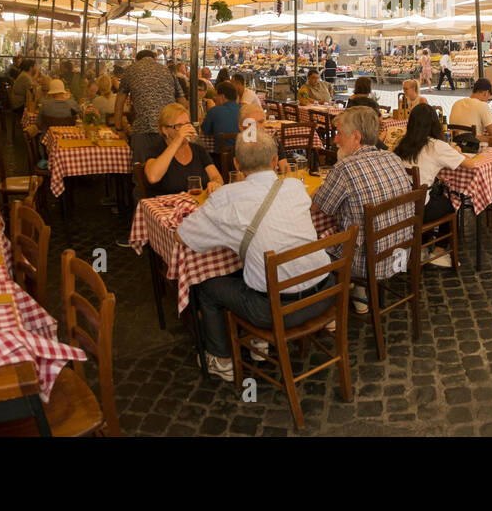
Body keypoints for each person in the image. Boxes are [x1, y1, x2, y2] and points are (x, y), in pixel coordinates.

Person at [180, 132, 333, 381]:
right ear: (275, 161)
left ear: (236, 164)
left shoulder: (225, 197)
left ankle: (222, 360)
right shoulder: (296, 186)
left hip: (274, 311)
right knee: (251, 268)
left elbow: (184, 236)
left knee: (206, 286)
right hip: (325, 294)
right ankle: (258, 346)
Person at [312, 106, 414, 313]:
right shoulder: (392, 158)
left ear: (356, 137)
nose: (335, 140)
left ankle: (325, 309)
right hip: (401, 253)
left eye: (339, 133)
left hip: (368, 262)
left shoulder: (344, 168)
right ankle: (358, 291)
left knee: (307, 247)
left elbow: (319, 207)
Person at [393, 104, 477, 268]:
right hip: (419, 209)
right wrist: (457, 151)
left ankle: (423, 246)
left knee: (435, 197)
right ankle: (439, 252)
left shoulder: (402, 143)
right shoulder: (436, 145)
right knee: (451, 203)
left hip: (399, 206)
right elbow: (470, 164)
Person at [116, 48, 183, 167]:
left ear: (137, 60)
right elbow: (182, 100)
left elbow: (119, 101)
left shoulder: (130, 70)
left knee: (141, 171)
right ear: (155, 58)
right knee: (168, 168)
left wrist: (119, 128)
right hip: (167, 128)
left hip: (143, 129)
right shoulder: (168, 71)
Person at [144, 103, 223, 196]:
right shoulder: (156, 150)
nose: (185, 129)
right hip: (166, 208)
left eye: (187, 124)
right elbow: (153, 177)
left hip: (196, 205)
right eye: (179, 126)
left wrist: (215, 183)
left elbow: (217, 177)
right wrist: (177, 141)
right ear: (165, 130)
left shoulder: (198, 150)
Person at [200, 81, 242, 148]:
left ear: (222, 97)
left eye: (216, 95)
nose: (214, 98)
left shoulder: (214, 111)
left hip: (220, 156)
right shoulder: (243, 110)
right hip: (241, 154)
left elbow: (204, 131)